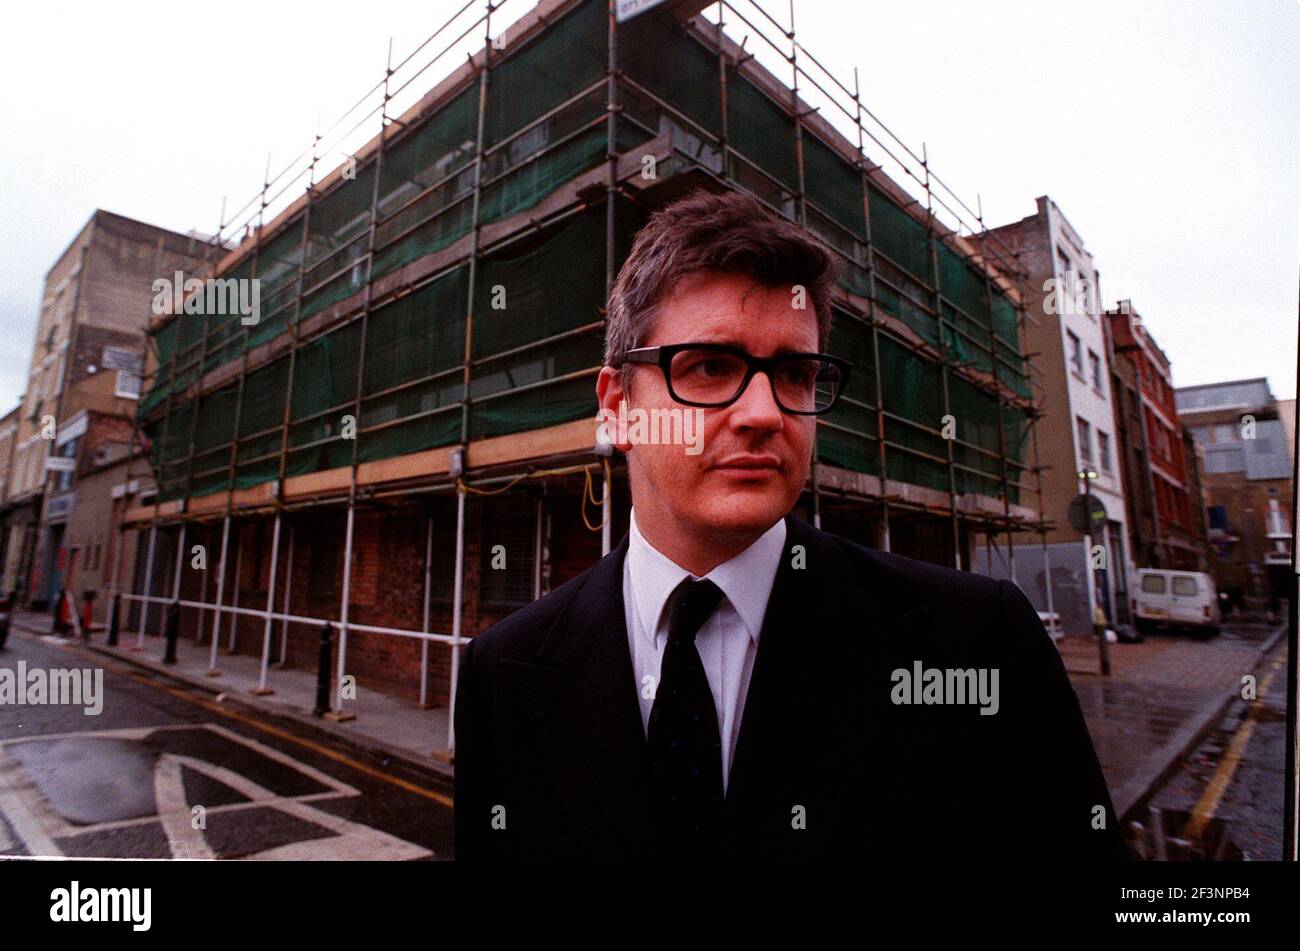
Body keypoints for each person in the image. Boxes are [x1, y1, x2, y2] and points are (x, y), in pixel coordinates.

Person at [453, 186, 1125, 861]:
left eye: (795, 374)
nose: (764, 412)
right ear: (618, 407)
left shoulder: (978, 643)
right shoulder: (501, 671)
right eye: (712, 367)